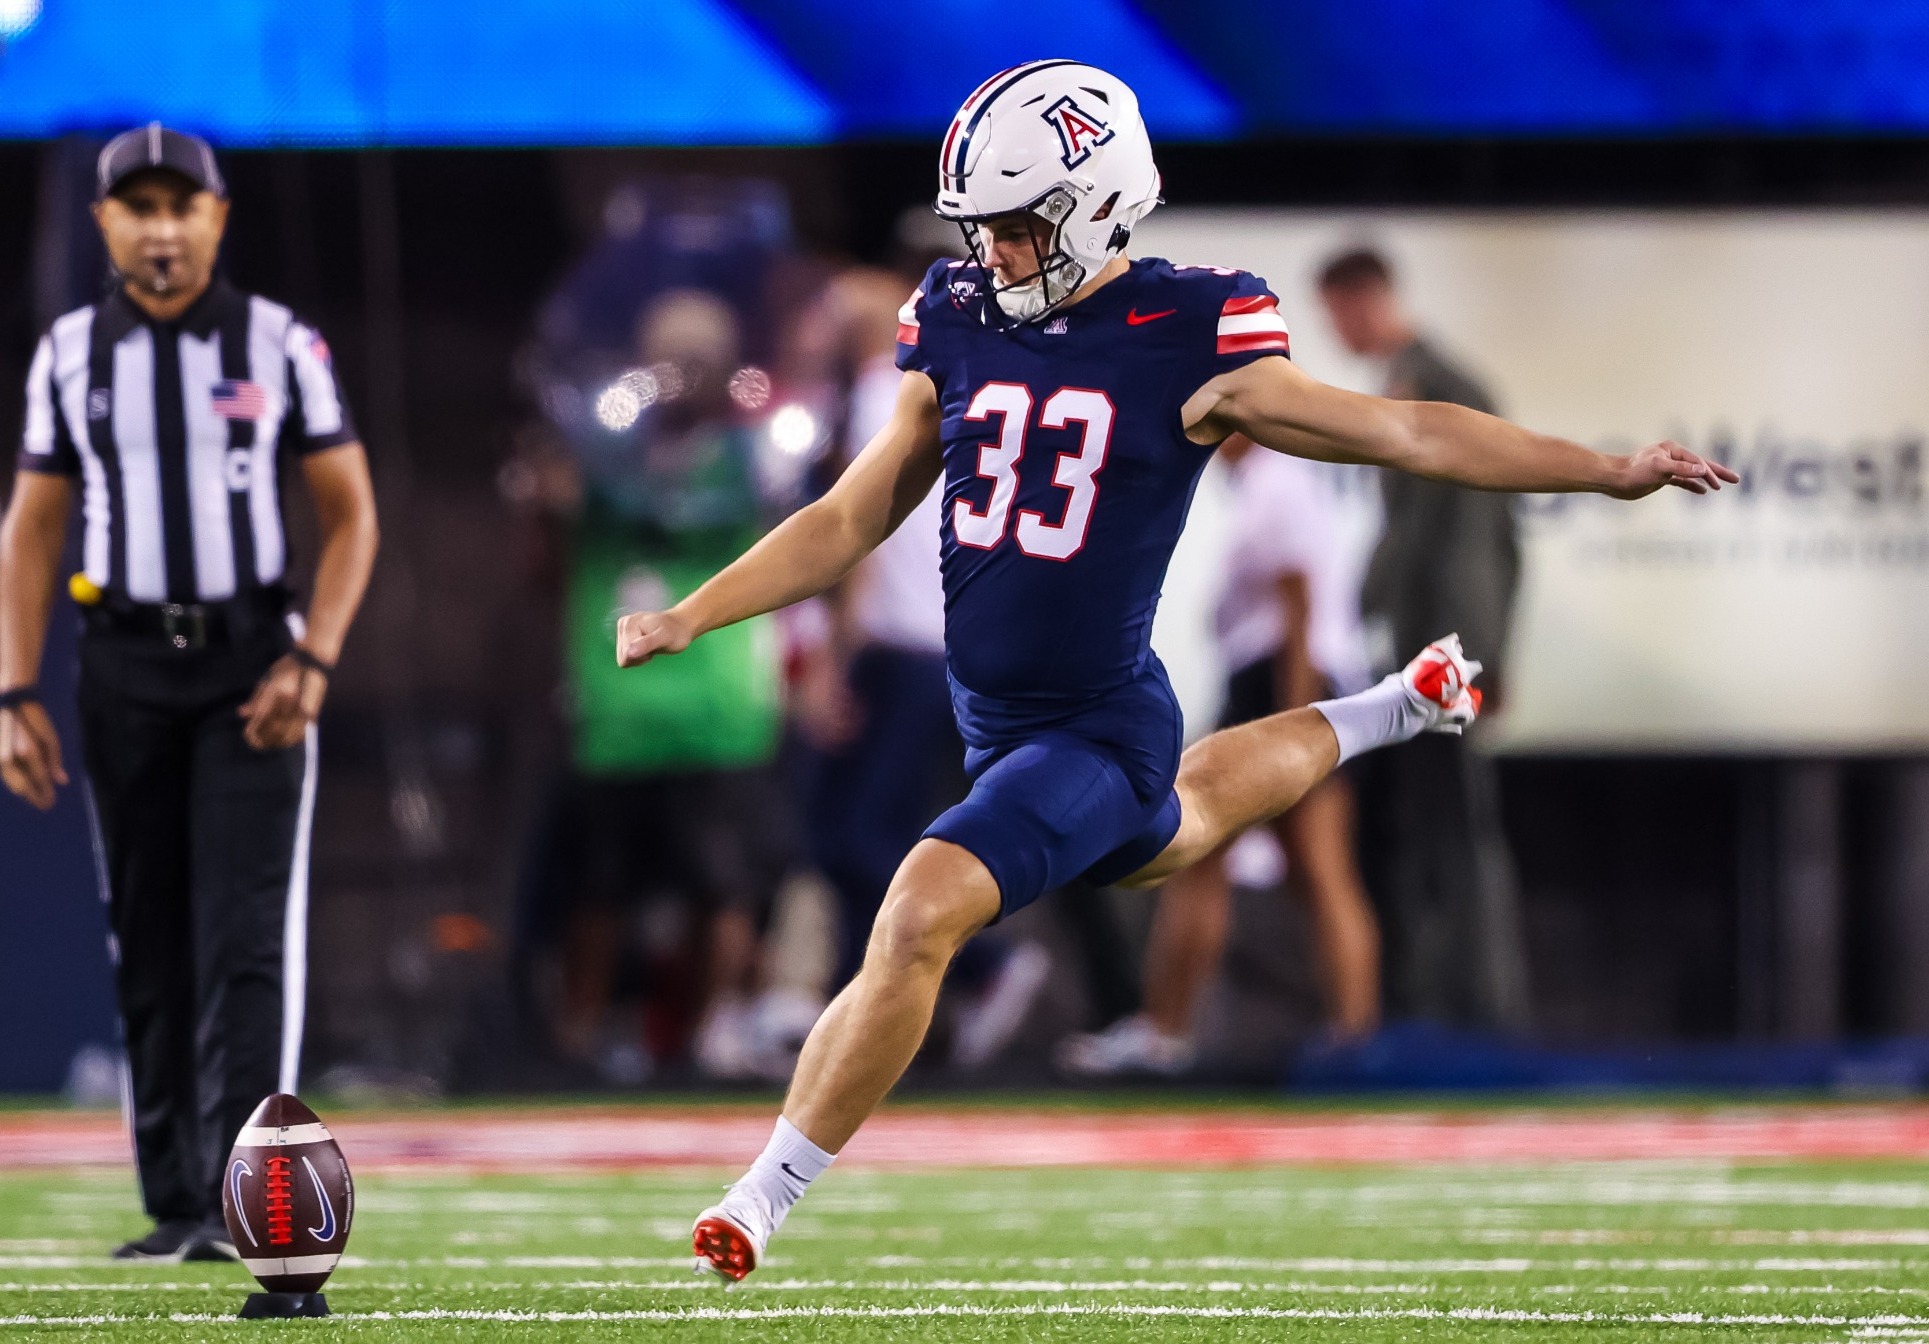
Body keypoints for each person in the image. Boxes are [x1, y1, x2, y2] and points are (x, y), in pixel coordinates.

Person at [610, 62, 1732, 1282]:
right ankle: (1391, 707)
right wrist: (698, 612)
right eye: (982, 223)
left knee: (921, 906)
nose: (994, 249)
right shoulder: (961, 313)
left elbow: (1409, 431)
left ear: (1099, 204)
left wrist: (1604, 468)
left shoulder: (1193, 329)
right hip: (1007, 718)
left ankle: (764, 1196)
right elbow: (851, 511)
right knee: (1184, 830)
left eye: (1020, 222)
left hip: (1098, 724)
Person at [0, 125, 379, 1261]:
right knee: (149, 929)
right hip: (120, 661)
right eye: (139, 207)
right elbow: (31, 530)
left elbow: (351, 510)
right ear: (104, 223)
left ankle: (241, 1197)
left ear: (218, 219)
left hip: (249, 662)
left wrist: (313, 657)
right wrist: (13, 688)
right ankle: (172, 1197)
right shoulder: (69, 353)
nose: (162, 229)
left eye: (182, 207)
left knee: (246, 934)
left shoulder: (278, 344)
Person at [791, 268, 1049, 1070]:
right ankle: (868, 1004)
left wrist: (830, 662)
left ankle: (977, 964)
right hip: (949, 647)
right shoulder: (974, 386)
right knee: (873, 836)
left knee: (856, 836)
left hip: (901, 647)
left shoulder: (888, 392)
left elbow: (854, 537)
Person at [1057, 435, 1380, 1076]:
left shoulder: (1277, 483)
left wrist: (1296, 729)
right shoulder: (1267, 485)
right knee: (1241, 863)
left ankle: (1351, 1043)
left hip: (1288, 686)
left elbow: (1300, 612)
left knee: (1284, 864)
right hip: (1276, 685)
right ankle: (1177, 1031)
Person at [1317, 246, 1531, 1030]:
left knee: (1452, 827)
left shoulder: (1440, 386)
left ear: (1363, 298)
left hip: (1446, 646)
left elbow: (1484, 535)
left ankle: (1480, 1010)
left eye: (1337, 310)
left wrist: (1486, 653)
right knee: (1426, 824)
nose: (1336, 329)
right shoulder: (1420, 380)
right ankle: (1451, 1004)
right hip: (1426, 644)